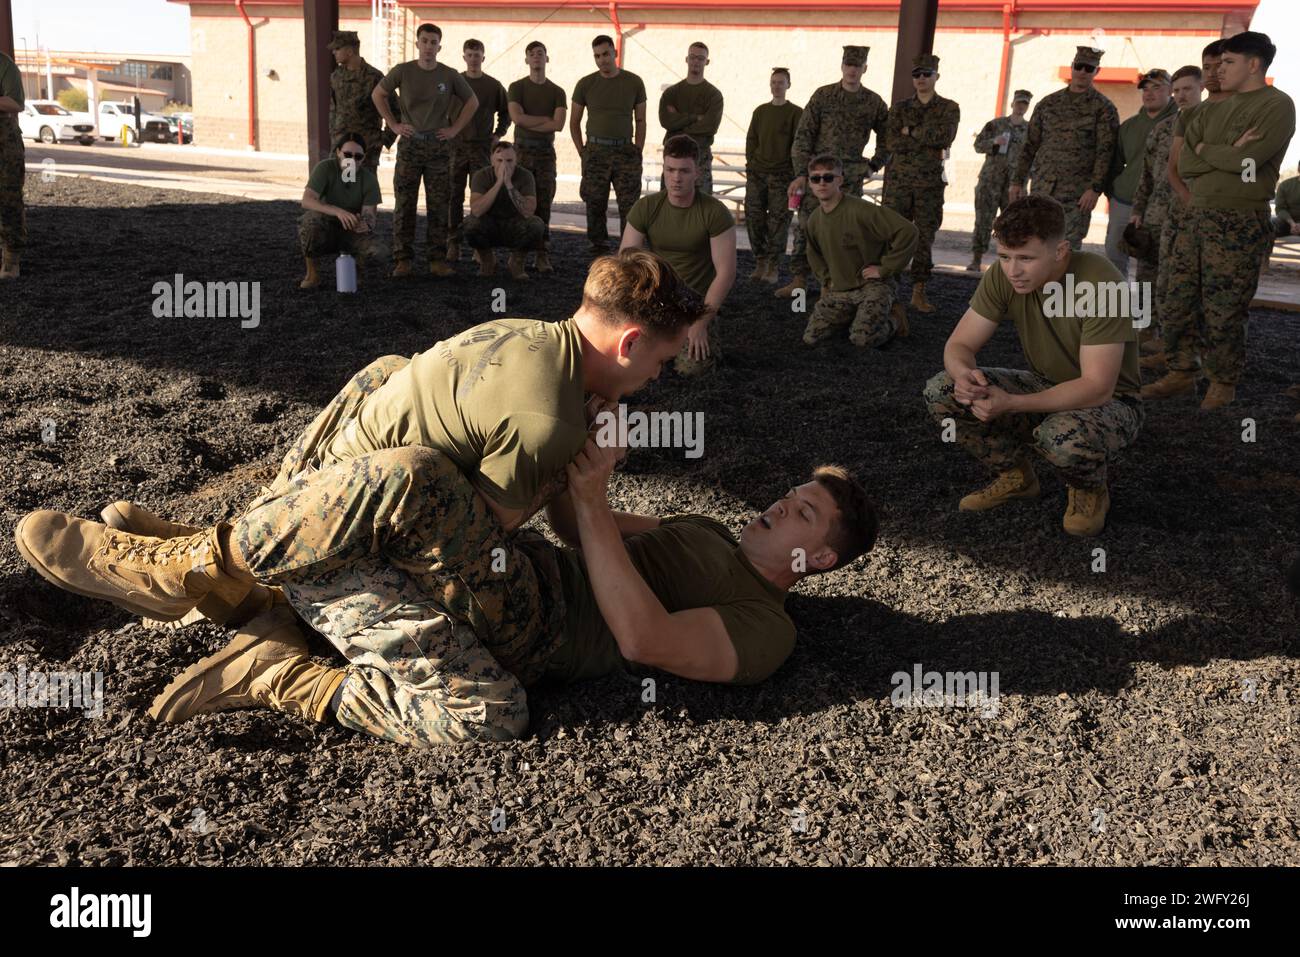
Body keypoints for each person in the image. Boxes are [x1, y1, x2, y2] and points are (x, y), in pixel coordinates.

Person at [16, 253, 709, 734]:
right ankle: (245, 611)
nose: (654, 379)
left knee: (392, 371)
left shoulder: (525, 336)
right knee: (492, 706)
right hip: (346, 535)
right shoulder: (549, 420)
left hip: (313, 496)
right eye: (659, 362)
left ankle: (215, 562)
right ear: (629, 343)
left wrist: (623, 509)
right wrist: (576, 473)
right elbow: (471, 545)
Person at [141, 452, 876, 747]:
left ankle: (274, 645)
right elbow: (578, 524)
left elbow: (644, 641)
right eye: (789, 495)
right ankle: (226, 569)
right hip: (525, 569)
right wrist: (576, 472)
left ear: (822, 560)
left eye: (803, 514)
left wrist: (589, 508)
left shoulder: (766, 629)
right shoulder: (709, 527)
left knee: (492, 714)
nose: (781, 506)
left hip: (541, 625)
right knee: (405, 457)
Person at [922, 195, 1142, 538]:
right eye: (1005, 256)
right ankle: (1016, 476)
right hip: (1046, 383)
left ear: (1061, 251)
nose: (1013, 270)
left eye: (1025, 258)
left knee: (1061, 436)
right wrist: (965, 375)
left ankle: (1089, 489)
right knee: (944, 390)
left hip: (1112, 403)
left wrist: (1011, 403)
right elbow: (959, 345)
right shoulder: (1004, 276)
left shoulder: (1102, 282)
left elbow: (1098, 386)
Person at [1145, 30, 1296, 410]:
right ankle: (1181, 371)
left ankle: (1222, 382)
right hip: (1196, 216)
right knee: (1176, 300)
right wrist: (1224, 152)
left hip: (1240, 219)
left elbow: (1247, 164)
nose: (1217, 70)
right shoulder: (1202, 111)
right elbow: (1186, 165)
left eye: (1228, 62)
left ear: (1253, 64)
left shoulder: (1276, 105)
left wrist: (1209, 151)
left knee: (1225, 307)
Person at [620, 134, 737, 376]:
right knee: (630, 363)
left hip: (697, 304)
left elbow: (726, 272)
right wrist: (634, 312)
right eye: (670, 169)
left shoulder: (715, 213)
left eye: (684, 171)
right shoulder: (646, 207)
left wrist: (701, 322)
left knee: (692, 368)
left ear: (698, 172)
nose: (676, 178)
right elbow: (626, 262)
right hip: (657, 300)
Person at [779, 45, 890, 298]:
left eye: (857, 66)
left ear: (865, 69)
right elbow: (804, 134)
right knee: (807, 227)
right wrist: (801, 173)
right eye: (848, 65)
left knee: (845, 231)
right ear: (842, 66)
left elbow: (888, 135)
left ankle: (836, 285)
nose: (852, 70)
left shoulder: (873, 102)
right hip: (817, 176)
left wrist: (875, 164)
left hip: (848, 178)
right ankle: (799, 282)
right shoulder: (823, 96)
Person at [372, 22, 478, 278]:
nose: (429, 46)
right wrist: (394, 124)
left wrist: (454, 130)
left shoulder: (449, 74)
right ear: (417, 43)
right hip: (410, 145)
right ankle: (403, 259)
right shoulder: (403, 71)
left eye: (434, 42)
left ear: (439, 47)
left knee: (439, 204)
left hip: (439, 147)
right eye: (425, 41)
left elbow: (472, 102)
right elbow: (378, 94)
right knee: (405, 203)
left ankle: (436, 260)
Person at [801, 153, 916, 348]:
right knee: (812, 338)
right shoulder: (814, 219)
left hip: (873, 285)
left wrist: (885, 269)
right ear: (810, 184)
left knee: (862, 339)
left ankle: (895, 320)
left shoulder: (862, 210)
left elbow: (908, 231)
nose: (822, 183)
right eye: (816, 178)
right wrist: (827, 280)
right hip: (841, 289)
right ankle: (854, 315)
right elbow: (813, 253)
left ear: (840, 180)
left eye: (828, 177)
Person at [1009, 46, 1119, 250]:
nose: (1083, 72)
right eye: (1079, 66)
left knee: (1067, 248)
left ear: (1097, 72)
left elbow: (1106, 152)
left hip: (1077, 194)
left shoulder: (1104, 109)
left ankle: (1065, 283)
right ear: (1072, 67)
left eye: (1089, 68)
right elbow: (1029, 145)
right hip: (1043, 187)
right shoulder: (1048, 104)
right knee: (1037, 242)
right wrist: (1017, 181)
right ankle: (1039, 283)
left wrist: (1095, 189)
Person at [1129, 65, 1202, 365]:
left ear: (1201, 89)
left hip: (1188, 217)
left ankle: (1173, 343)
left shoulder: (1209, 125)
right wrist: (1137, 210)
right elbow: (1146, 176)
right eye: (1178, 91)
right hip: (1155, 216)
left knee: (1177, 281)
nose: (1182, 95)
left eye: (1188, 89)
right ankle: (1147, 330)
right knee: (1148, 278)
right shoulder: (1162, 129)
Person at [882, 53, 960, 314]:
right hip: (899, 184)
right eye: (917, 74)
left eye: (927, 74)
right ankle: (888, 289)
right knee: (893, 235)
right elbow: (891, 142)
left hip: (929, 185)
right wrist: (925, 138)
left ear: (936, 76)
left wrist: (912, 131)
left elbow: (945, 137)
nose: (921, 79)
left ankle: (918, 291)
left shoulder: (949, 108)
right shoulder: (900, 108)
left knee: (924, 237)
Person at [571, 35, 647, 253]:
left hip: (626, 151)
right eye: (597, 56)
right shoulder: (585, 84)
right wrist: (582, 152)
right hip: (595, 152)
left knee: (629, 205)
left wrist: (638, 150)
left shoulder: (634, 82)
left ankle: (629, 248)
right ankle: (598, 246)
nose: (602, 60)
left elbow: (641, 120)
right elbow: (574, 121)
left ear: (614, 52)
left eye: (605, 54)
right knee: (594, 203)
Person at [1105, 69, 1176, 277]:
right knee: (1114, 253)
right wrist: (1115, 193)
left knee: (1155, 263)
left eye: (1157, 87)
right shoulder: (1129, 127)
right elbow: (1115, 164)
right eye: (1145, 88)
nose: (1149, 93)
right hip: (1125, 201)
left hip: (1163, 205)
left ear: (1171, 90)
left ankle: (1151, 308)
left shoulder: (1182, 123)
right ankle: (1118, 306)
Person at [447, 39, 510, 263]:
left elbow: (506, 111)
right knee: (453, 196)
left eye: (477, 55)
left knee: (481, 196)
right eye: (470, 55)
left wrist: (498, 134)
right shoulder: (455, 83)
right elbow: (442, 107)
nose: (474, 59)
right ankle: (453, 243)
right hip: (456, 147)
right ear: (464, 57)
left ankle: (478, 244)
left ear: (483, 57)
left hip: (482, 148)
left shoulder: (493, 86)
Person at [507, 41, 567, 274]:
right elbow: (517, 119)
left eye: (540, 53)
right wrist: (545, 120)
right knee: (518, 203)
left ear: (546, 59)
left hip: (545, 153)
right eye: (531, 54)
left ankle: (542, 254)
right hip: (521, 151)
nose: (536, 57)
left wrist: (530, 119)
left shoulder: (557, 91)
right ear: (526, 60)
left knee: (543, 203)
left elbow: (559, 124)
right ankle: (518, 256)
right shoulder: (517, 87)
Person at [298, 132, 387, 289]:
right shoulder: (325, 168)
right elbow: (307, 200)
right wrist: (337, 211)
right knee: (310, 223)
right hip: (326, 226)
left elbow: (370, 214)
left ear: (363, 158)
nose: (352, 160)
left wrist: (366, 223)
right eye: (347, 154)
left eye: (358, 156)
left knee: (379, 251)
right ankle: (312, 274)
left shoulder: (369, 179)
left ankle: (357, 269)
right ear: (338, 152)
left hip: (352, 228)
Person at [744, 67, 802, 284]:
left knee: (778, 222)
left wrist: (795, 173)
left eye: (781, 82)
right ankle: (760, 261)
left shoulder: (796, 113)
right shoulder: (760, 112)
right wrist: (752, 164)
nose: (777, 86)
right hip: (758, 173)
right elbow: (752, 139)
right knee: (754, 217)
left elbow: (799, 144)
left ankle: (773, 266)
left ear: (788, 85)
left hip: (782, 176)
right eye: (773, 82)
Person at [969, 90, 1032, 273]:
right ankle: (976, 259)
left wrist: (1026, 181)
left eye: (1025, 104)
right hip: (990, 181)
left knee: (1012, 225)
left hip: (1014, 185)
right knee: (983, 221)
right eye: (1019, 103)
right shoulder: (996, 124)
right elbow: (978, 145)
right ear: (1012, 104)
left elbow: (1034, 157)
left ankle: (1008, 264)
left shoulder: (1030, 130)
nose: (1021, 107)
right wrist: (994, 142)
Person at [463, 140, 545, 279]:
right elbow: (476, 210)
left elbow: (528, 211)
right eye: (500, 160)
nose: (504, 165)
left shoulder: (525, 176)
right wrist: (498, 183)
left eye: (509, 160)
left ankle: (517, 262)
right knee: (470, 224)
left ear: (516, 160)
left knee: (536, 225)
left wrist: (508, 184)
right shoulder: (481, 176)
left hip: (514, 225)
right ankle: (487, 261)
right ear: (492, 160)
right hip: (489, 225)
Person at [658, 42, 723, 195]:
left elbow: (710, 126)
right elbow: (666, 121)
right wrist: (696, 118)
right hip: (673, 159)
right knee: (669, 208)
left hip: (700, 161)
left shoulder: (713, 95)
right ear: (686, 59)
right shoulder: (671, 93)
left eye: (700, 58)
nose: (696, 61)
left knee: (701, 210)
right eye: (693, 57)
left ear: (707, 62)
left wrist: (678, 124)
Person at [327, 31, 392, 177]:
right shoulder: (336, 76)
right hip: (340, 147)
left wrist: (382, 141)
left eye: (337, 49)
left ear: (349, 51)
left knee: (363, 194)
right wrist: (333, 134)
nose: (333, 52)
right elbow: (334, 108)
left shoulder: (374, 77)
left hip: (365, 151)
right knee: (337, 191)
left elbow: (396, 110)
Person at [0, 50, 25, 280]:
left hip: (4, 142)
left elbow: (15, 102)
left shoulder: (4, 65)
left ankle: (11, 258)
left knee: (8, 199)